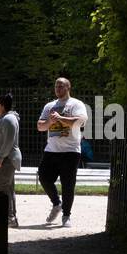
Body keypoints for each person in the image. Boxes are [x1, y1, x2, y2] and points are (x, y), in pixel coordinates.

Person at [36, 77, 88, 226]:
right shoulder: (49, 106)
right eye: (56, 86)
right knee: (44, 178)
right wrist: (50, 122)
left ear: (68, 88)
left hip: (71, 151)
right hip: (51, 150)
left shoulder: (76, 104)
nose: (57, 89)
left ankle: (66, 216)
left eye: (61, 86)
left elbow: (80, 121)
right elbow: (40, 126)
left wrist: (60, 118)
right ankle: (56, 203)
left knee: (68, 185)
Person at [0, 93, 22, 227]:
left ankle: (10, 217)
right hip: (5, 159)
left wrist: (0, 157)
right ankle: (11, 217)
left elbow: (9, 141)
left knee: (3, 189)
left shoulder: (9, 119)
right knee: (8, 188)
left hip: (7, 159)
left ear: (1, 105)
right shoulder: (3, 118)